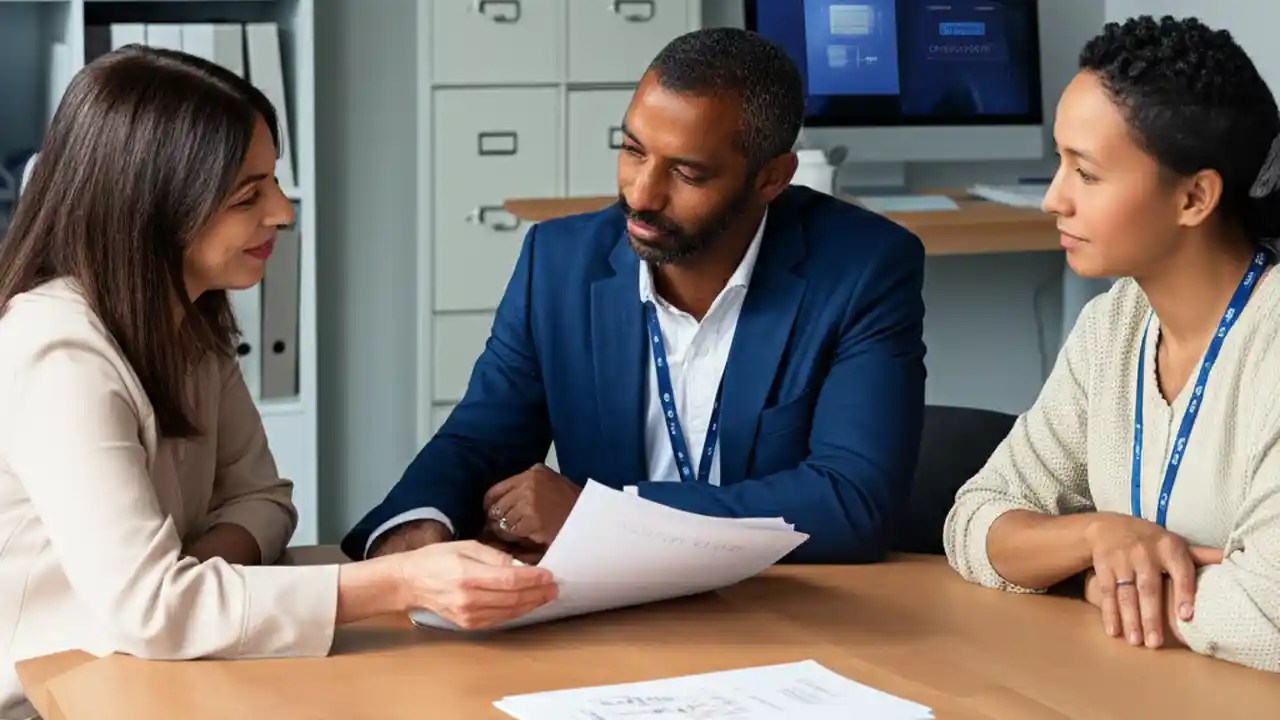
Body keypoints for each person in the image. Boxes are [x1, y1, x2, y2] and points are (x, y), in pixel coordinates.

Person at [0, 47, 555, 720]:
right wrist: (397, 580)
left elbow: (265, 501)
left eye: (272, 182)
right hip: (49, 698)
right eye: (247, 195)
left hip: (153, 672)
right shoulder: (60, 353)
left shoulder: (187, 321)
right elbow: (153, 609)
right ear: (153, 206)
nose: (284, 214)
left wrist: (194, 584)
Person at [345, 28, 927, 565]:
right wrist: (417, 524)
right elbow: (481, 437)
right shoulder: (560, 261)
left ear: (772, 178)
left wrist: (605, 515)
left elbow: (852, 502)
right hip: (606, 613)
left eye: (688, 174)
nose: (642, 195)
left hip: (781, 610)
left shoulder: (863, 269)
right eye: (633, 150)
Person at [945, 15, 1280, 672]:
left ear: (1194, 197)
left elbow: (1267, 615)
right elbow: (975, 522)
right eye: (1058, 163)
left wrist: (1091, 580)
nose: (1052, 199)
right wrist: (1097, 534)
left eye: (1087, 174)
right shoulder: (1114, 326)